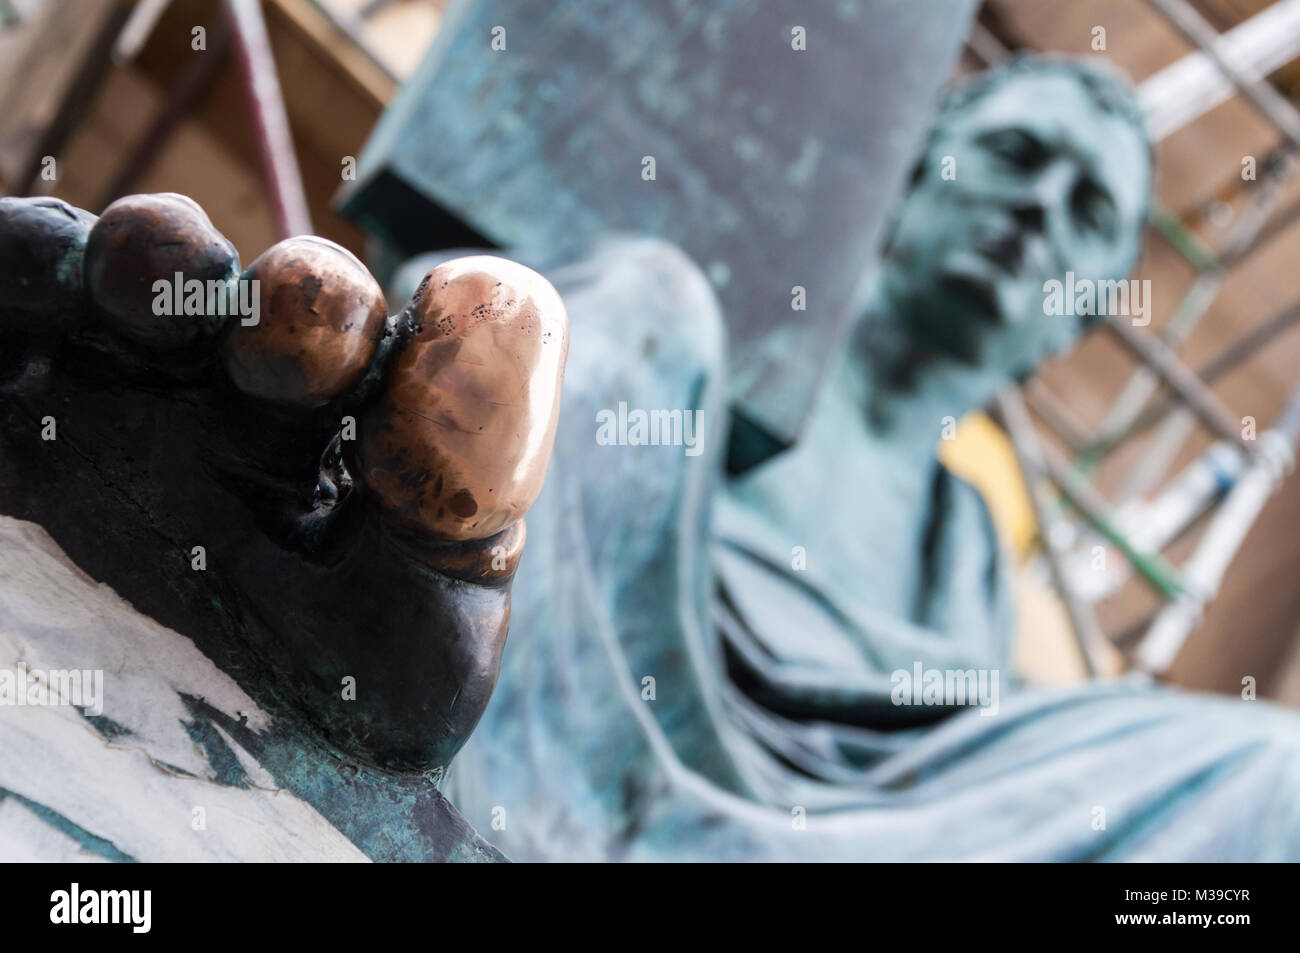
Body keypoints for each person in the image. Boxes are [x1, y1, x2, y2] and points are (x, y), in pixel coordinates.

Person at [442, 57, 1300, 861]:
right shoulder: (706, 331)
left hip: (859, 838)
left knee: (1275, 769)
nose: (1040, 205)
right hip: (569, 718)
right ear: (919, 171)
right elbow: (480, 378)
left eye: (1088, 212)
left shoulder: (973, 562)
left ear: (1077, 322)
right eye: (1014, 154)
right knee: (640, 296)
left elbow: (964, 792)